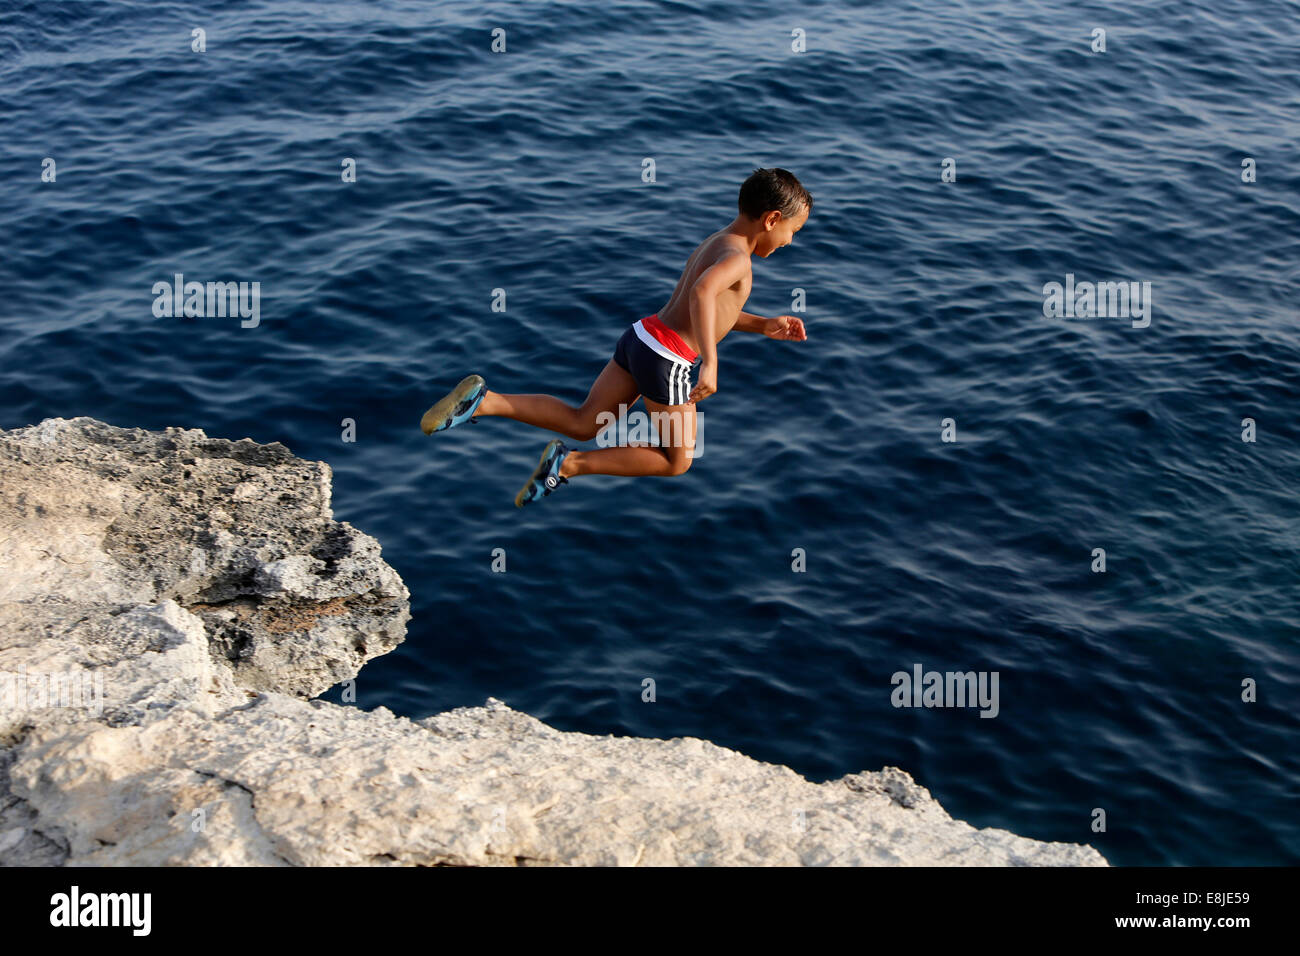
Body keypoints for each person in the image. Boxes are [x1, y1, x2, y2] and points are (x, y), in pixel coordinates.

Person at [421, 167, 812, 507]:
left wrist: (762, 324)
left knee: (583, 421)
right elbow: (702, 295)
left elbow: (708, 308)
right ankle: (570, 464)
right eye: (793, 231)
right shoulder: (738, 258)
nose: (790, 242)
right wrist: (710, 362)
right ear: (772, 219)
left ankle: (485, 403)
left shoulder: (719, 240)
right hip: (669, 358)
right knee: (678, 461)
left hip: (642, 338)